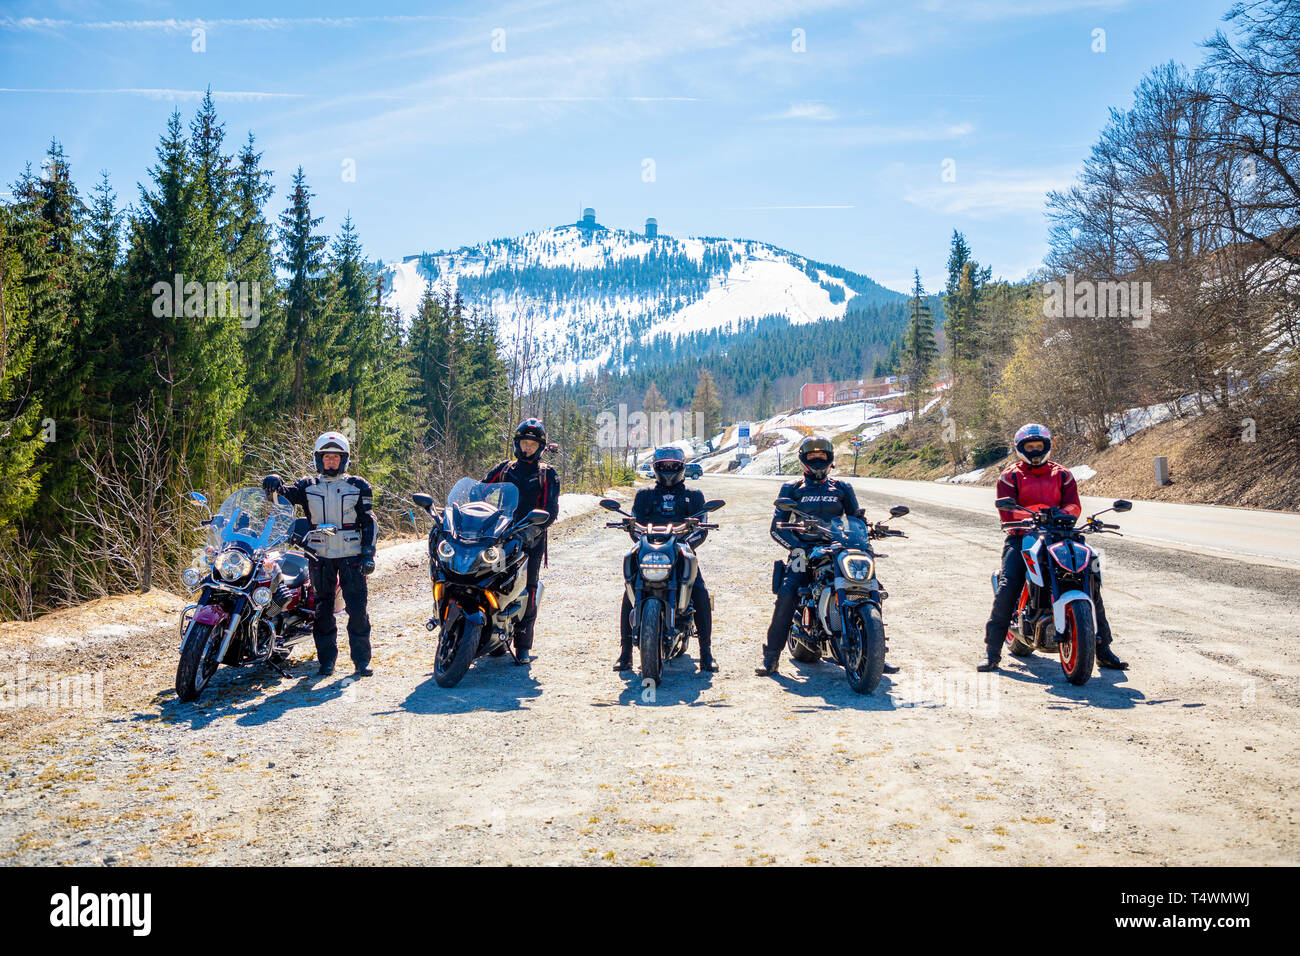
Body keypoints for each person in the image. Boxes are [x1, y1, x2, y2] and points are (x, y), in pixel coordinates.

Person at [977, 423, 1127, 673]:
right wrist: (1036, 515)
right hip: (1021, 536)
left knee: (1091, 582)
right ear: (1021, 449)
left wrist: (1060, 514)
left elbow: (1074, 505)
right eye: (1030, 447)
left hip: (1060, 534)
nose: (1035, 450)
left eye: (1039, 445)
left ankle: (1103, 650)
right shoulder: (1009, 476)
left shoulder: (1062, 474)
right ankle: (992, 652)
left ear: (1046, 446)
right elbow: (1007, 511)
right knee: (1007, 587)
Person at [756, 435, 897, 676]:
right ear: (804, 459)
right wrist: (799, 547)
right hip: (803, 551)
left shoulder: (842, 487)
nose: (817, 460)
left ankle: (875, 653)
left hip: (838, 548)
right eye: (812, 456)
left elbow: (856, 518)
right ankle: (771, 657)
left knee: (871, 586)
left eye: (822, 456)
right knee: (788, 592)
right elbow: (777, 528)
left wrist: (871, 530)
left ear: (830, 459)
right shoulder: (792, 488)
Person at [263, 431, 376, 678]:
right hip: (319, 556)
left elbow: (369, 521)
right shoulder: (307, 485)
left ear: (344, 460)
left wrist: (369, 554)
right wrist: (272, 484)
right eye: (327, 457)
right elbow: (282, 497)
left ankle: (361, 661)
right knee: (322, 610)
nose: (331, 461)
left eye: (336, 457)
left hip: (352, 554)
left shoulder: (359, 486)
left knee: (357, 609)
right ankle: (326, 662)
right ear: (319, 459)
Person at [615, 446, 717, 674]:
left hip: (680, 550)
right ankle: (625, 653)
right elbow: (635, 523)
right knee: (629, 590)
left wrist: (686, 544)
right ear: (656, 467)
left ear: (682, 467)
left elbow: (702, 528)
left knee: (699, 590)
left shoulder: (694, 495)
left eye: (673, 465)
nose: (668, 469)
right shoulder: (645, 495)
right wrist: (637, 536)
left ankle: (706, 653)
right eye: (663, 465)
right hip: (650, 549)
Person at [482, 419, 559, 662]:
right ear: (517, 443)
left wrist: (531, 530)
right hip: (499, 535)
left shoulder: (546, 474)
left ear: (540, 448)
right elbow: (480, 490)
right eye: (525, 443)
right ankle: (486, 633)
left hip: (530, 538)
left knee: (528, 586)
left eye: (532, 445)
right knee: (489, 579)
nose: (527, 448)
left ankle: (523, 645)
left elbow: (551, 511)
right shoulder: (505, 469)